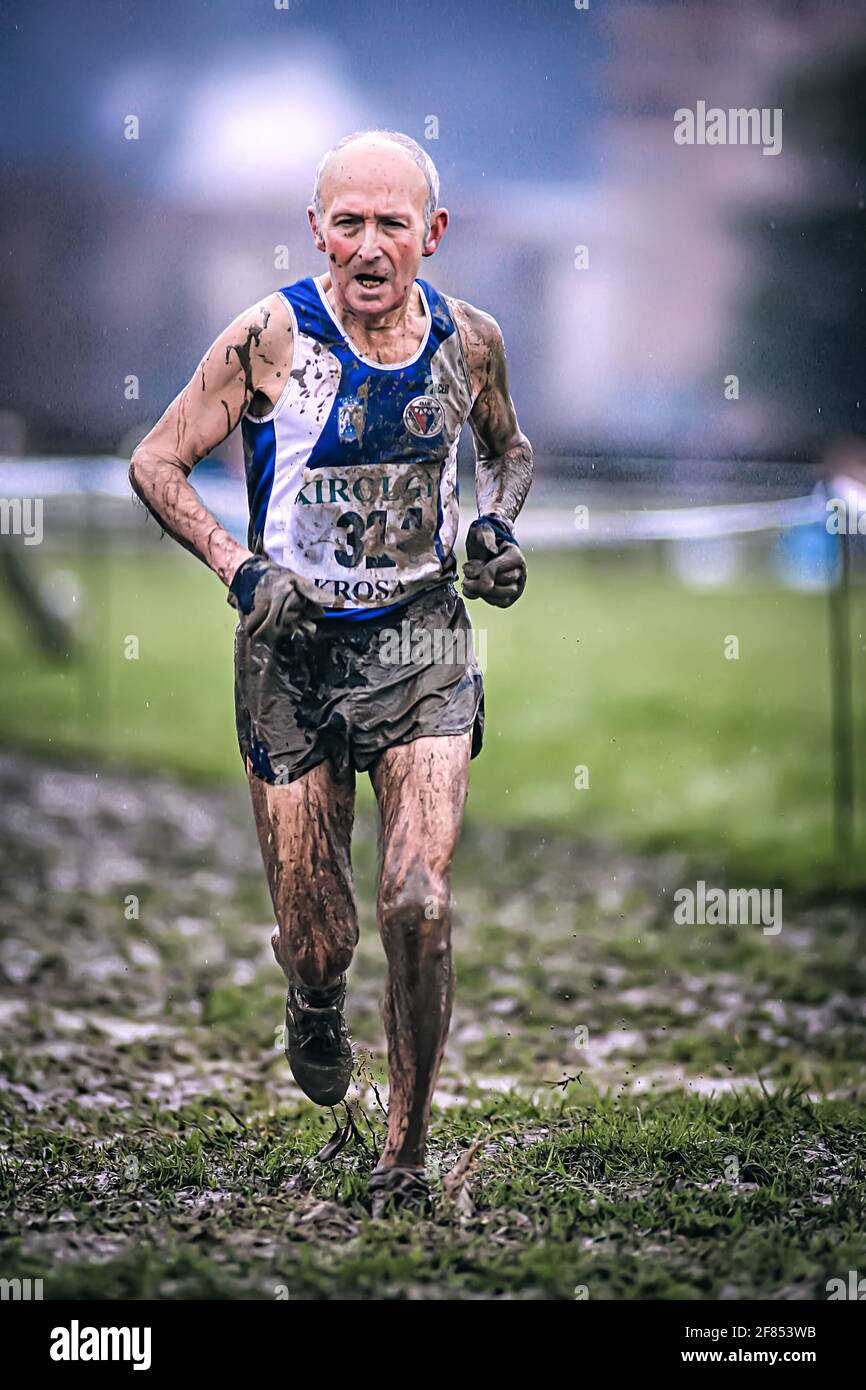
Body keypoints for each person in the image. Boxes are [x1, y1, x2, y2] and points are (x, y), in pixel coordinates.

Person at [129, 129, 533, 1215]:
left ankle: (402, 1152)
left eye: (390, 223)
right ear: (317, 230)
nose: (366, 244)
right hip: (291, 658)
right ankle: (312, 1001)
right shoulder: (269, 336)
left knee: (417, 899)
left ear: (430, 235)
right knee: (322, 936)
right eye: (345, 221)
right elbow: (154, 460)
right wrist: (237, 565)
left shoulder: (469, 340)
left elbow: (508, 448)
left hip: (420, 650)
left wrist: (491, 526)